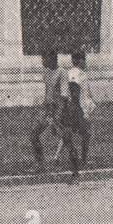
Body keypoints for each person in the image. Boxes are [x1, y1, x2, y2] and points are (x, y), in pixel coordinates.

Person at [30, 50, 67, 173]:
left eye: (44, 59)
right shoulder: (45, 72)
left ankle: (62, 160)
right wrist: (45, 108)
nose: (42, 62)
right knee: (34, 134)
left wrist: (57, 115)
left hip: (57, 110)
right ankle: (40, 164)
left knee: (63, 135)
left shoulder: (62, 73)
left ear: (52, 59)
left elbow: (63, 96)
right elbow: (48, 92)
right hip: (47, 109)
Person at [62, 51, 93, 183]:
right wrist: (81, 111)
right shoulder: (75, 74)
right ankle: (81, 162)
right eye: (83, 60)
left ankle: (82, 160)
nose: (85, 63)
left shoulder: (79, 73)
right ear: (79, 60)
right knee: (84, 134)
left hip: (77, 109)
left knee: (82, 134)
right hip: (76, 110)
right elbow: (74, 91)